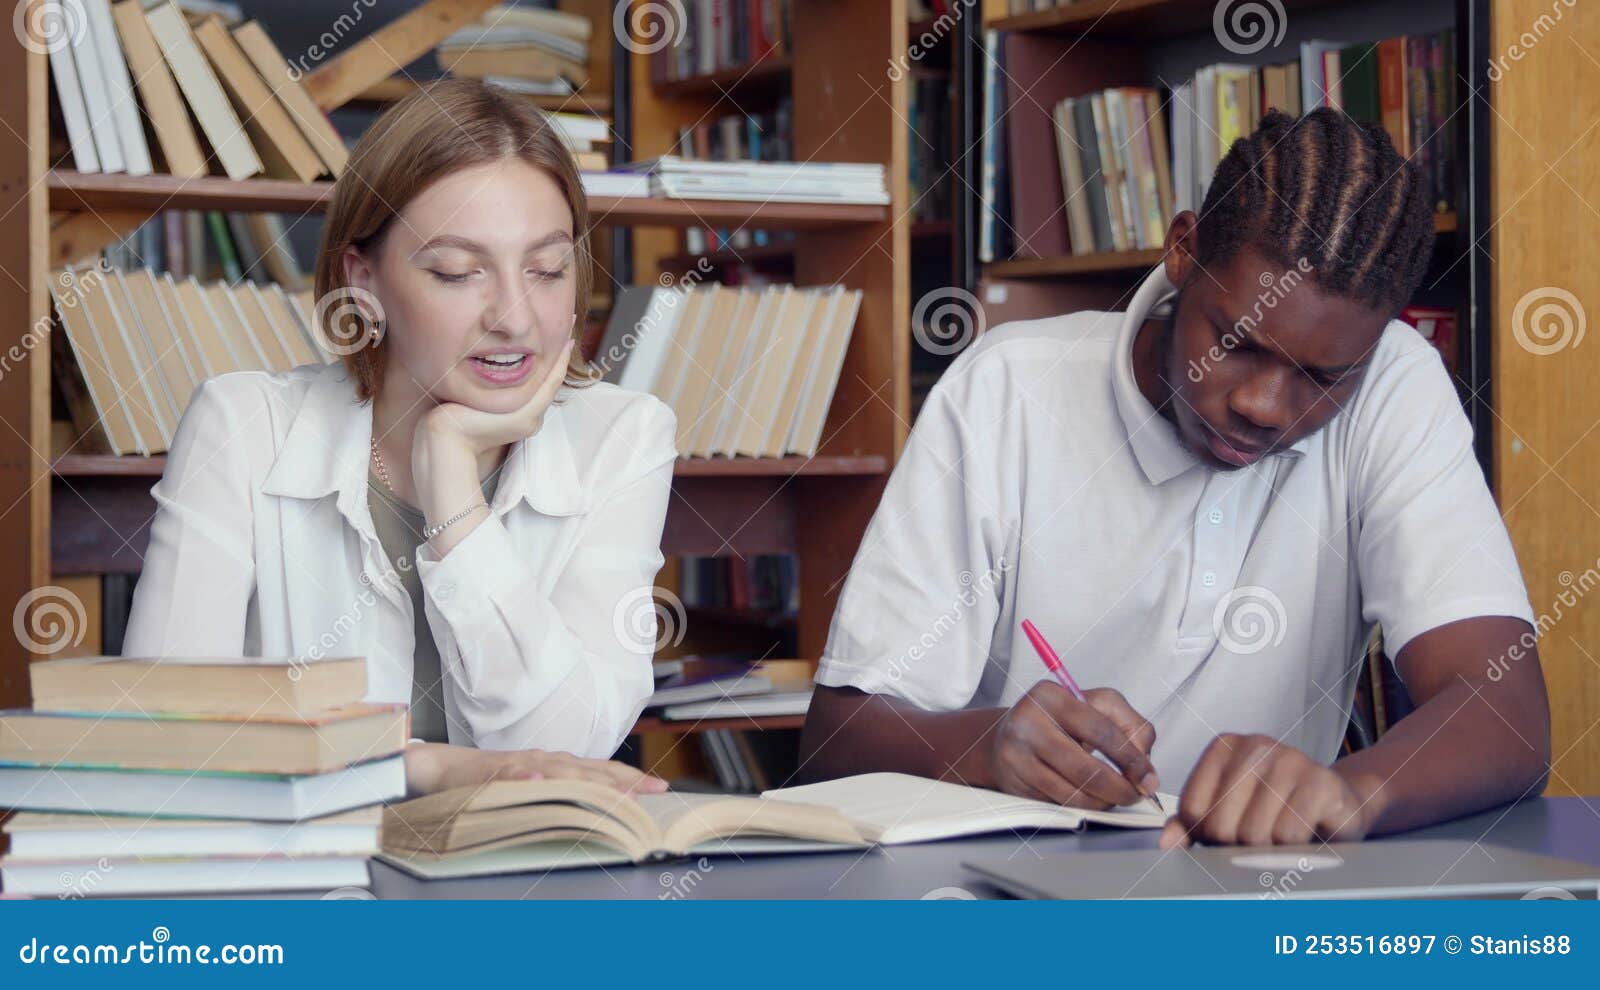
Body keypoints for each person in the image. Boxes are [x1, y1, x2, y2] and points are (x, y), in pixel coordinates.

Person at [800, 108, 1550, 848]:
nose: (1263, 406)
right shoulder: (1007, 390)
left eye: (1322, 379)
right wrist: (988, 747)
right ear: (1182, 250)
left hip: (1253, 898)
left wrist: (1351, 791)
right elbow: (835, 742)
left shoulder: (1394, 384)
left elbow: (1506, 714)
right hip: (1005, 896)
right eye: (1235, 342)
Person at [123, 80, 672, 797]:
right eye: (456, 272)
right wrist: (432, 766)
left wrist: (452, 484)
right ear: (364, 281)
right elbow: (164, 737)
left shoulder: (623, 436)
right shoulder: (242, 426)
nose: (515, 317)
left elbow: (559, 752)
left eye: (546, 269)